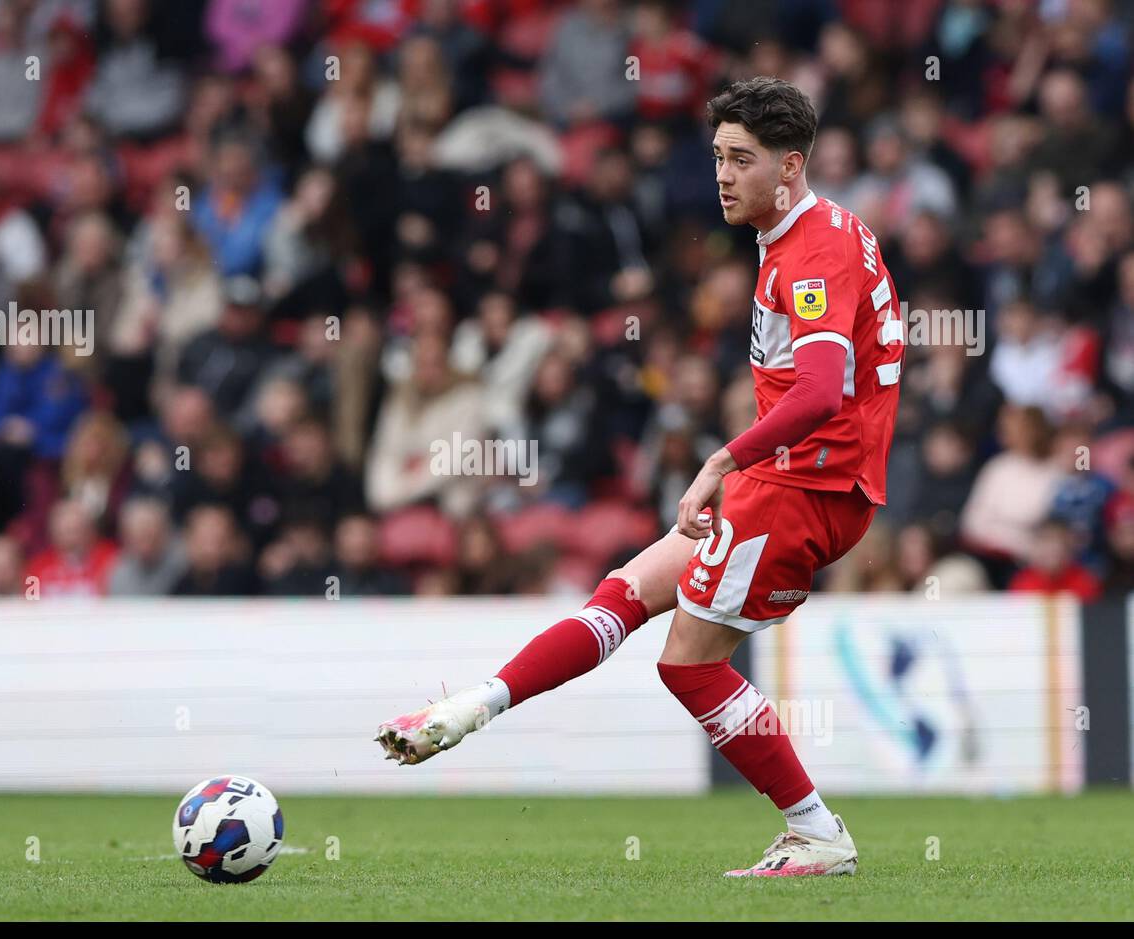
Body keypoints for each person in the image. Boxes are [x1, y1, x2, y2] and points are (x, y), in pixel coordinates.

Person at [375, 77, 906, 878]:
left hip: (805, 490)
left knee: (688, 665)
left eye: (742, 159)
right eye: (718, 156)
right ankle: (467, 710)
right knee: (622, 593)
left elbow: (823, 387)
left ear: (790, 166)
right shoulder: (818, 232)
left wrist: (723, 458)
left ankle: (817, 832)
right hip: (793, 480)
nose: (723, 175)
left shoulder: (813, 248)